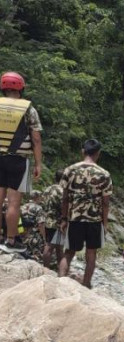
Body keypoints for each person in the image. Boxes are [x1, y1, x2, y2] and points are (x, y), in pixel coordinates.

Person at [58, 139, 112, 289]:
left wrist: (64, 218)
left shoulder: (70, 170)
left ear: (83, 151)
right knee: (91, 253)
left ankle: (61, 281)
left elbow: (65, 198)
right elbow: (105, 202)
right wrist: (104, 223)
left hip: (75, 218)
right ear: (98, 154)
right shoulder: (104, 174)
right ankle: (86, 283)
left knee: (69, 252)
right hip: (94, 219)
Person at [0, 72, 43, 253]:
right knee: (13, 202)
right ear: (21, 88)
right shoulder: (28, 110)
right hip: (18, 160)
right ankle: (11, 241)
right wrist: (38, 163)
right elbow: (36, 138)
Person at [42, 169, 64, 268]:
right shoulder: (62, 190)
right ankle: (52, 270)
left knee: (53, 246)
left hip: (47, 220)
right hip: (57, 222)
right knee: (53, 247)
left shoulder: (48, 189)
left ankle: (49, 269)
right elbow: (63, 206)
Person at [20, 190, 45, 262]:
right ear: (37, 197)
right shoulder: (38, 208)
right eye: (40, 197)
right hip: (35, 236)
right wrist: (44, 237)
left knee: (24, 255)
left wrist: (21, 232)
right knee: (37, 257)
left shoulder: (22, 207)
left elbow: (18, 221)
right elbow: (41, 224)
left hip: (23, 234)